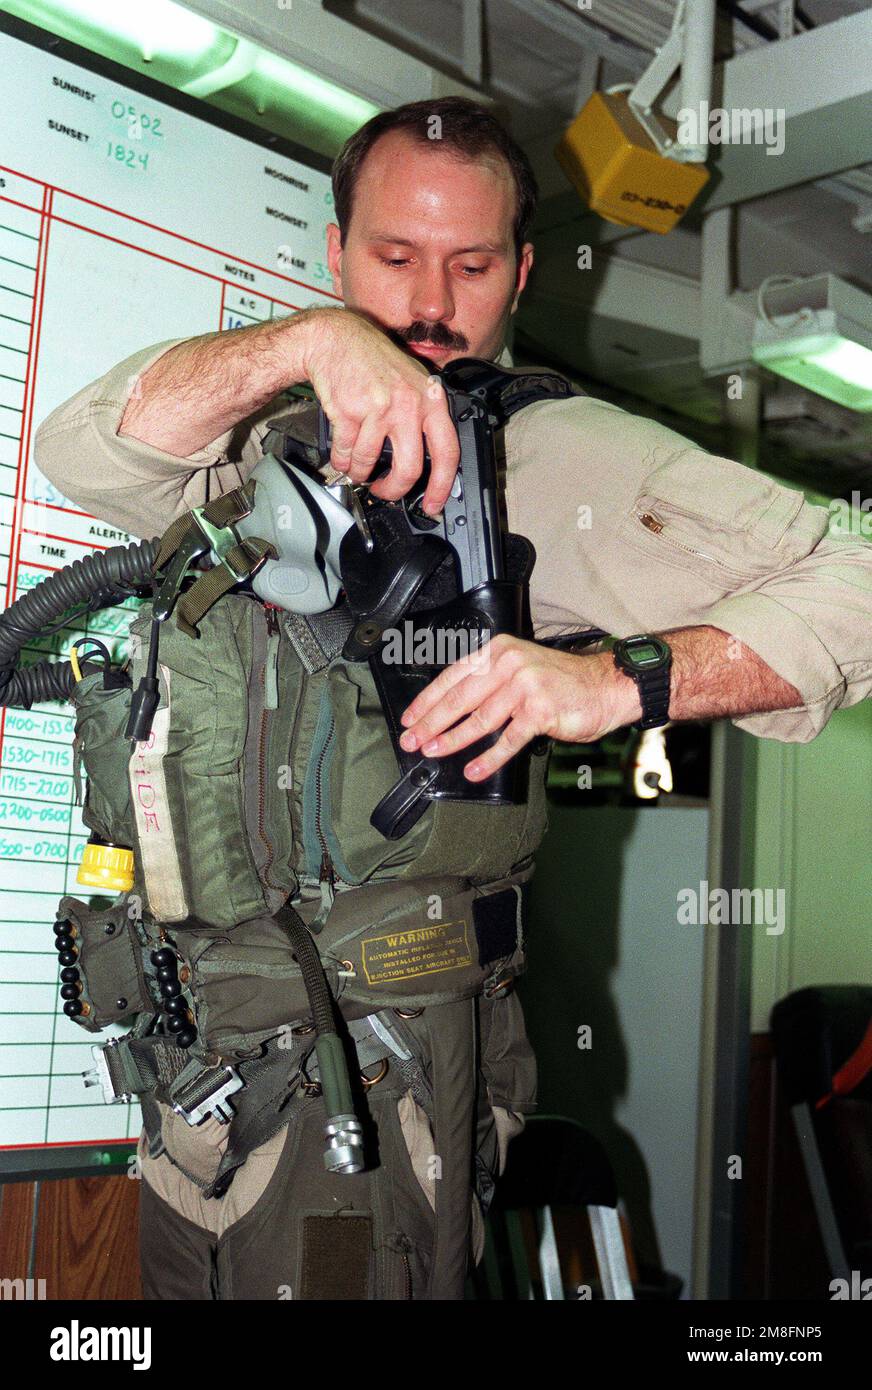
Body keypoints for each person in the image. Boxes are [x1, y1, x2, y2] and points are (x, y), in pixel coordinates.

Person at [34, 97, 872, 1300]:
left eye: (470, 265)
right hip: (197, 1081)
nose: (430, 301)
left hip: (378, 1097)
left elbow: (853, 577)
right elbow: (83, 449)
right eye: (390, 259)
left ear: (521, 274)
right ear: (332, 255)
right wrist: (307, 345)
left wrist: (612, 682)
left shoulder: (558, 458)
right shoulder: (275, 442)